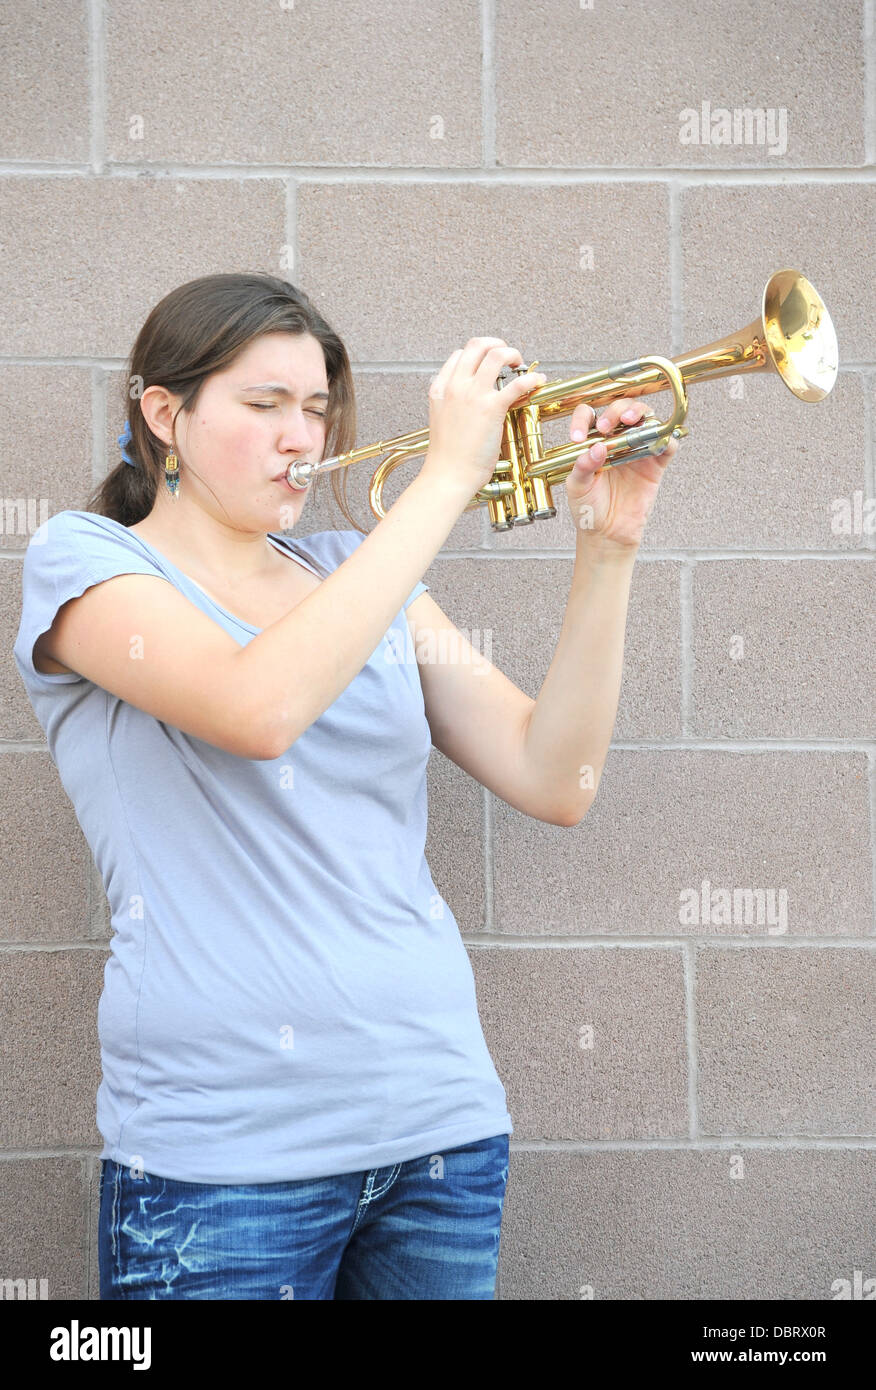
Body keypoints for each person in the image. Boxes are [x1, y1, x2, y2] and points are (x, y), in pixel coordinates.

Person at [13, 272, 679, 1301]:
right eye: (265, 403)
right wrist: (444, 481)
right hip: (222, 1162)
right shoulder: (84, 564)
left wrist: (609, 544)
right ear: (165, 415)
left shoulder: (355, 574)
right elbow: (257, 707)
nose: (304, 436)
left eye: (317, 407)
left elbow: (557, 777)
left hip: (440, 1131)